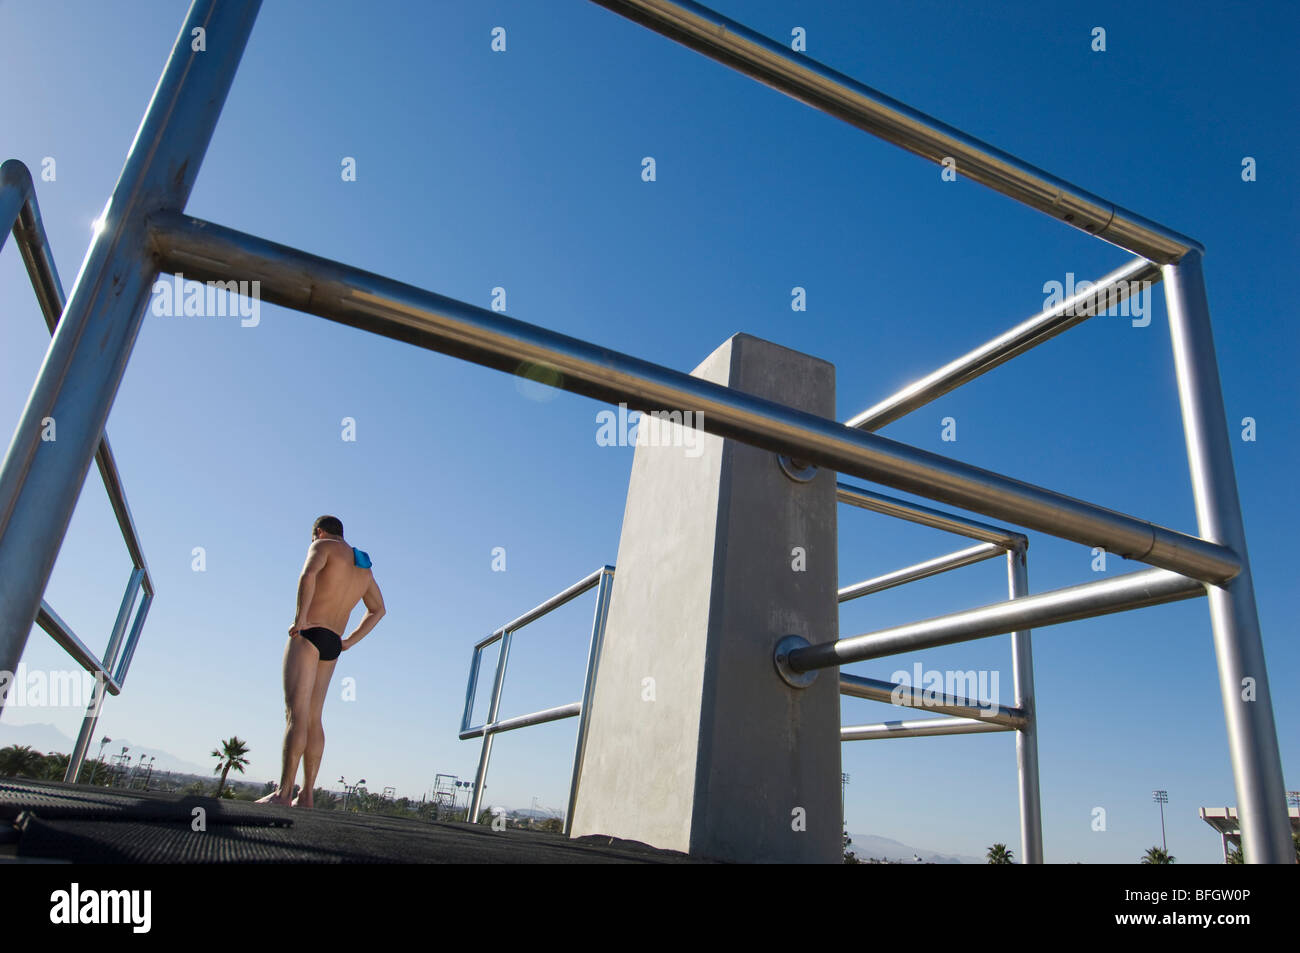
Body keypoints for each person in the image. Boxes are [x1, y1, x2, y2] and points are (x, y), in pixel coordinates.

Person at [256, 515, 385, 807]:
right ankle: (307, 795)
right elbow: (378, 609)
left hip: (309, 632)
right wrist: (349, 641)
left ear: (319, 532)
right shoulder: (361, 563)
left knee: (296, 714)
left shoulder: (323, 545)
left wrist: (300, 618)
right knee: (314, 717)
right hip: (332, 642)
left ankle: (283, 792)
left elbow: (308, 575)